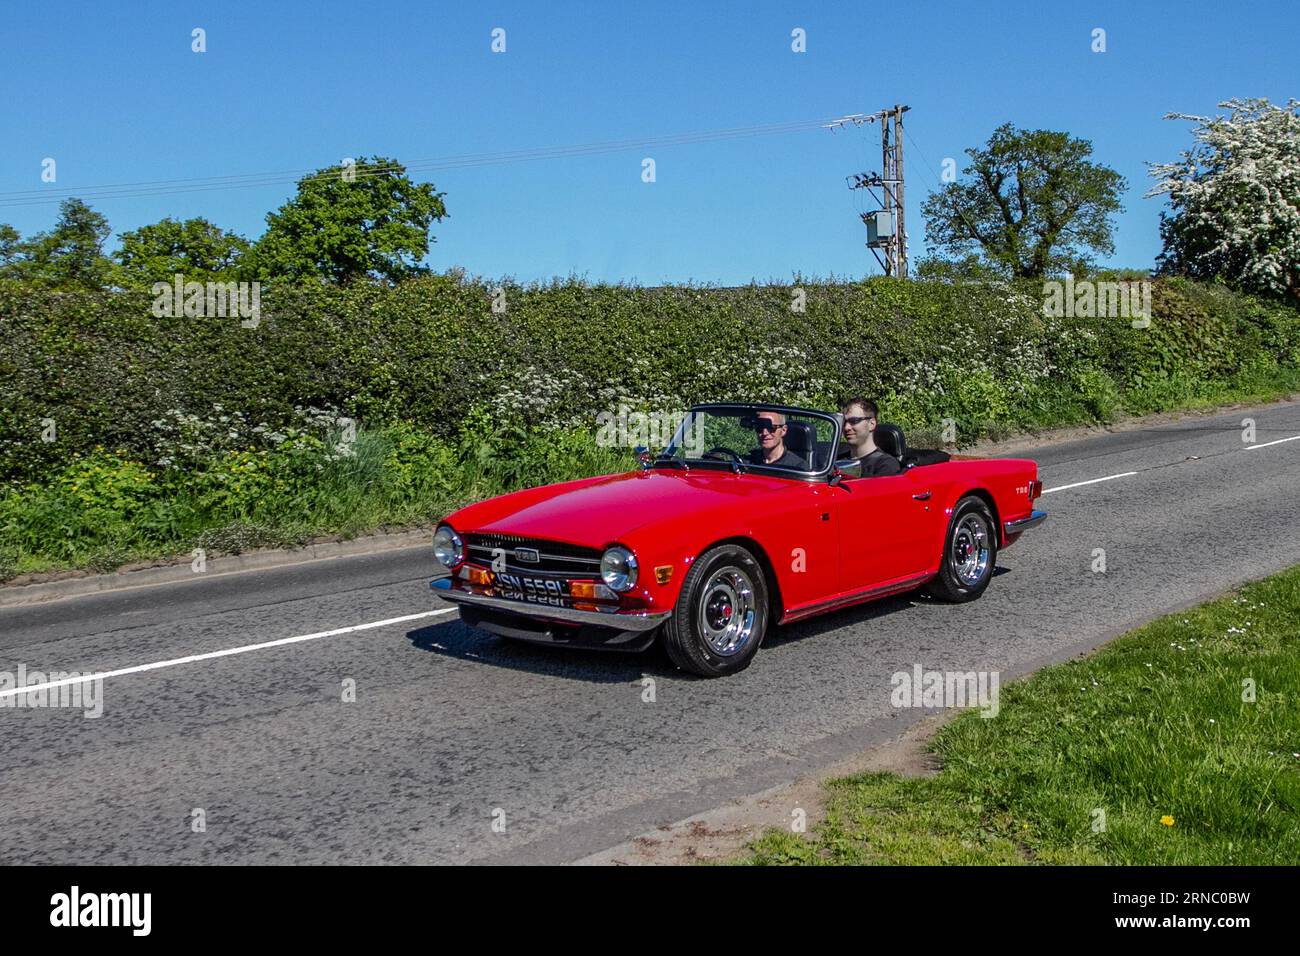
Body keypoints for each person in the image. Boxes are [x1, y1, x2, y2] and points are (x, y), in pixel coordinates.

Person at [840, 397, 902, 476]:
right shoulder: (837, 460)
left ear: (871, 424)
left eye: (854, 421)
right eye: (844, 422)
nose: (846, 427)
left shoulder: (885, 465)